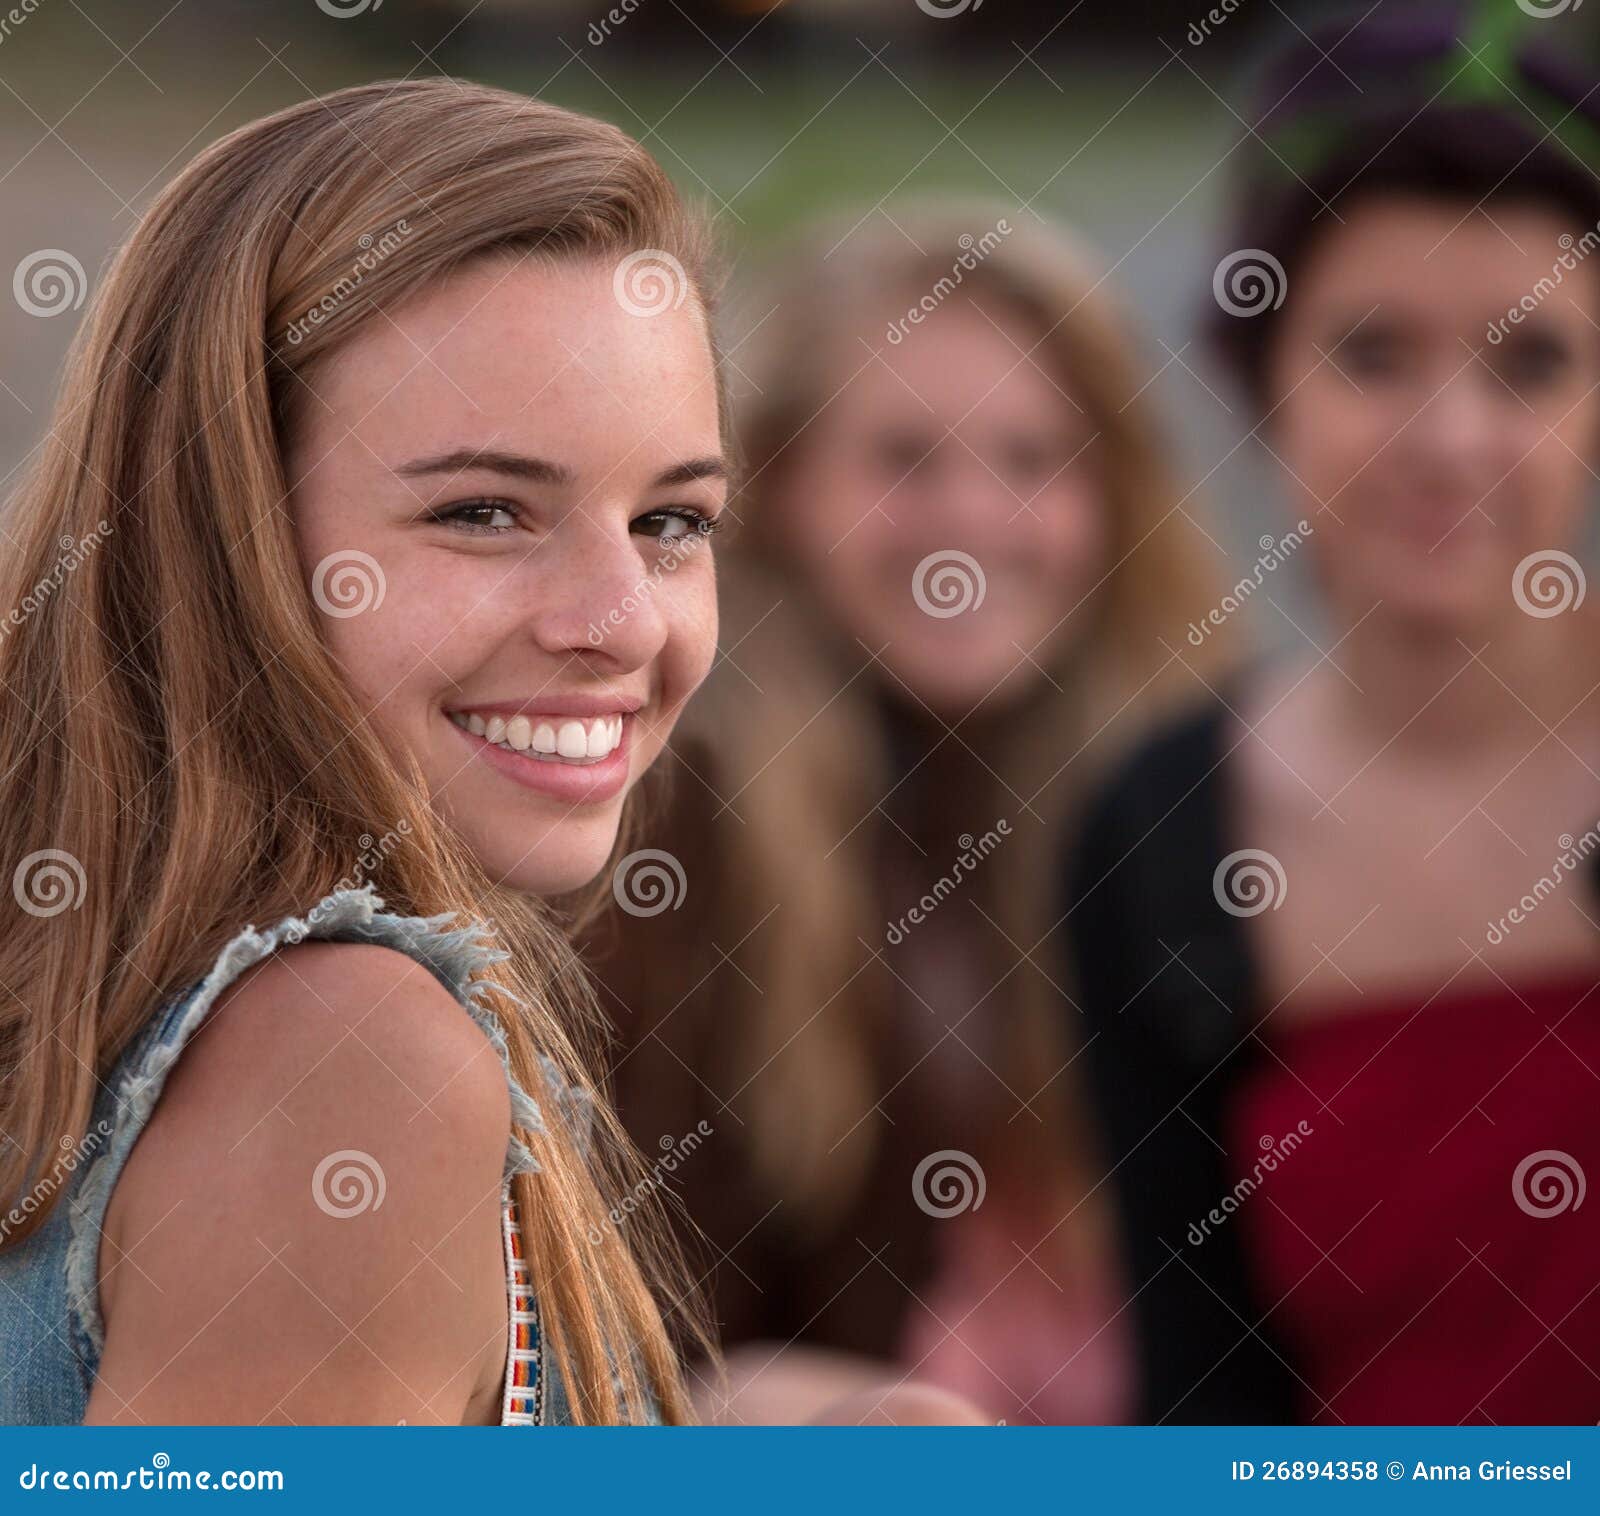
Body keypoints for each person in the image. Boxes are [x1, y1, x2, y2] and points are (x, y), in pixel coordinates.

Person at [0, 77, 986, 1430]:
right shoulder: (350, 1057)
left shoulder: (98, 972)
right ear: (224, 531)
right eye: (482, 511)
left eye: (672, 522)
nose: (620, 623)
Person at [583, 202, 1232, 1423]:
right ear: (776, 490)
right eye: (903, 459)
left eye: (1033, 459)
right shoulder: (670, 822)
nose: (970, 521)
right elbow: (605, 1352)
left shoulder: (1185, 797)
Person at [1064, 1, 1600, 1425]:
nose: (1452, 439)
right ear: (1259, 382)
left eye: (1531, 361)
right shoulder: (1159, 835)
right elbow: (1203, 1399)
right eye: (1372, 354)